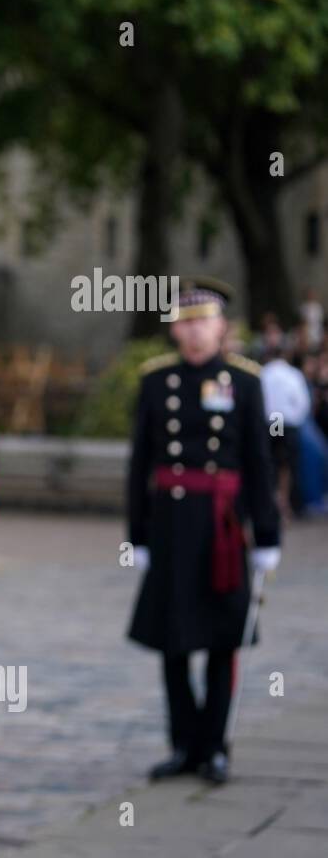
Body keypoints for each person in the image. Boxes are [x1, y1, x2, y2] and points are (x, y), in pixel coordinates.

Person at [128, 277, 281, 785]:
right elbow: (140, 466)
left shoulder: (246, 382)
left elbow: (260, 463)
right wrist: (139, 537)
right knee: (173, 641)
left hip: (223, 528)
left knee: (221, 639)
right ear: (175, 330)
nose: (194, 333)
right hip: (171, 527)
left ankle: (215, 746)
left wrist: (268, 535)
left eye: (203, 323)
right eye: (185, 323)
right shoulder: (155, 381)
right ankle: (183, 745)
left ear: (222, 328)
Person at [259, 344, 312, 518]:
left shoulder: (264, 372)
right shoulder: (292, 374)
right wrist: (295, 420)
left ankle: (276, 501)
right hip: (286, 421)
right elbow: (302, 402)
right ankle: (286, 503)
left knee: (274, 462)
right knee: (286, 463)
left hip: (273, 420)